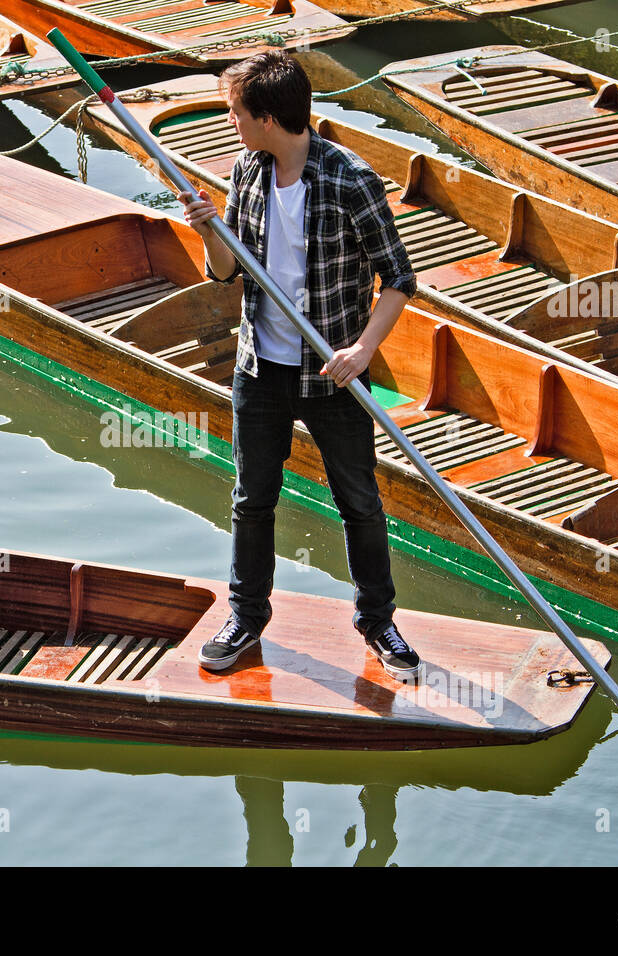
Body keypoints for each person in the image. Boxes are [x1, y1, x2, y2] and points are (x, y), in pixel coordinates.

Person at [177, 51, 421, 681]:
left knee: (359, 502)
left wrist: (364, 350)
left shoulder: (350, 180)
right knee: (252, 501)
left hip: (333, 373)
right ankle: (245, 617)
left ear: (266, 116)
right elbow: (229, 273)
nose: (230, 121)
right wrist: (211, 232)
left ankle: (378, 622)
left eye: (236, 112)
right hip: (260, 369)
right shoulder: (247, 171)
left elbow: (398, 277)